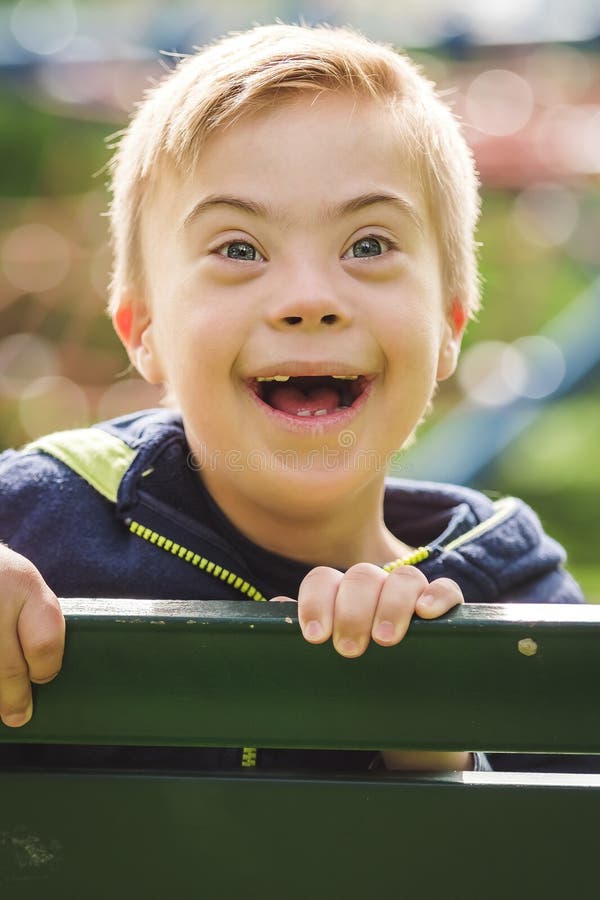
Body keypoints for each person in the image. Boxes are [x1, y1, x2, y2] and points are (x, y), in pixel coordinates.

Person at [0, 24, 583, 772]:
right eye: (239, 248)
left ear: (449, 324)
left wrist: (437, 758)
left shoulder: (518, 603)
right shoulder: (37, 522)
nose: (309, 299)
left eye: (368, 245)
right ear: (143, 330)